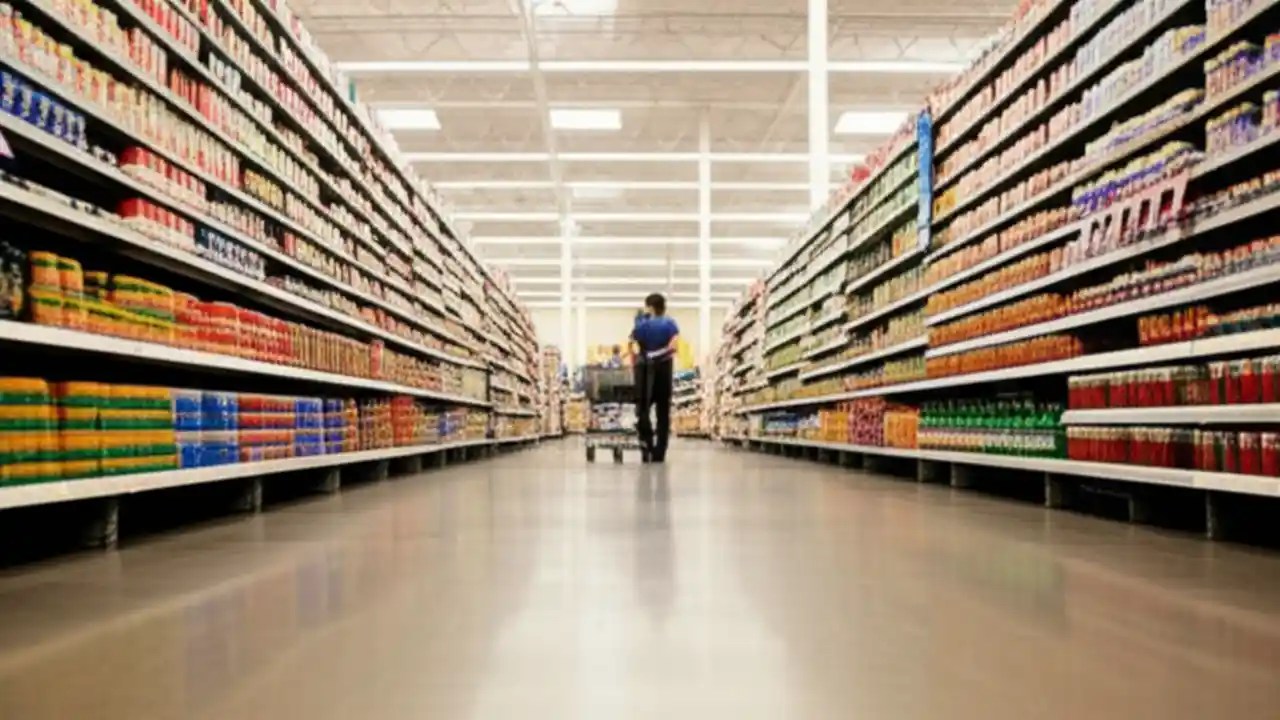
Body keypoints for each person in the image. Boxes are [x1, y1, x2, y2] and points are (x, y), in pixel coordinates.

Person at [630, 293, 679, 463]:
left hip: (645, 372)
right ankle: (660, 453)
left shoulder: (641, 325)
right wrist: (660, 353)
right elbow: (674, 346)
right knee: (663, 413)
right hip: (664, 369)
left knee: (643, 409)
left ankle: (647, 445)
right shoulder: (671, 324)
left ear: (650, 307)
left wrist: (648, 354)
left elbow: (634, 346)